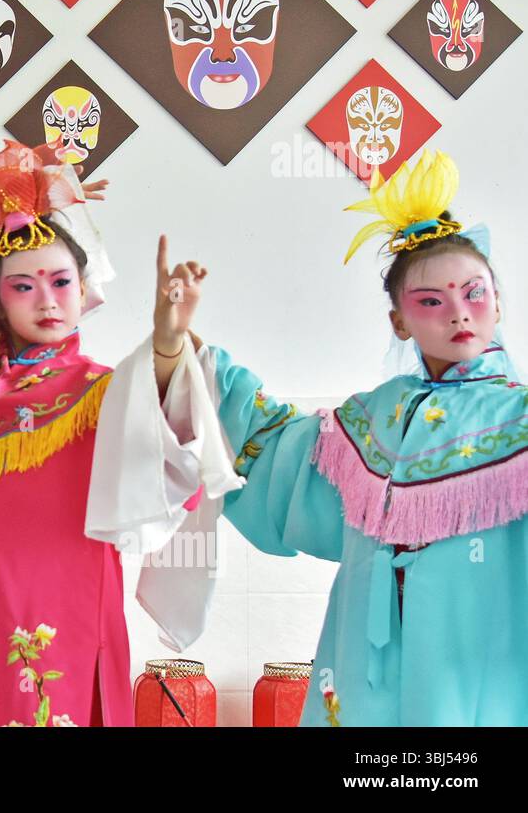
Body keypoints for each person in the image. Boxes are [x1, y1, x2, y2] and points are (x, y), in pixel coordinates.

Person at [0, 140, 238, 726]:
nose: (47, 300)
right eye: (23, 286)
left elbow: (168, 425)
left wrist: (165, 344)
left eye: (61, 282)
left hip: (71, 595)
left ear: (85, 291)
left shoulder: (102, 390)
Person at [195, 150, 528, 724]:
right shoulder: (376, 416)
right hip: (365, 661)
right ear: (399, 320)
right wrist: (193, 365)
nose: (458, 313)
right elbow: (281, 452)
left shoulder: (520, 421)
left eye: (475, 293)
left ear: (496, 298)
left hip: (475, 661)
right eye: (431, 301)